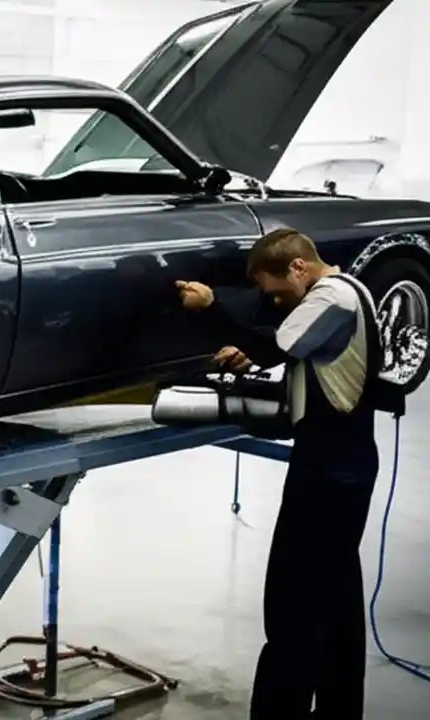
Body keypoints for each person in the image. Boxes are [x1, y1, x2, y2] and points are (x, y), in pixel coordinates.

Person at [175, 227, 380, 720]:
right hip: (345, 461)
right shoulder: (358, 291)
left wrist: (211, 306)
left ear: (298, 267)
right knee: (337, 602)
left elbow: (281, 343)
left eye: (278, 290)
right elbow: (292, 350)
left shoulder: (333, 296)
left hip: (330, 468)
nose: (277, 301)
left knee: (295, 602)